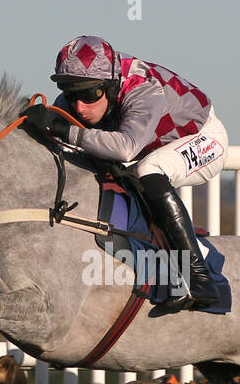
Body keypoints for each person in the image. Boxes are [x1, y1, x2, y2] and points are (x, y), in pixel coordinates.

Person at [20, 36, 228, 310]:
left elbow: (126, 149)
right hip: (150, 144)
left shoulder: (144, 90)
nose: (79, 106)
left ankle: (199, 277)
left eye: (90, 94)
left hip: (204, 138)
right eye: (70, 93)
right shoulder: (81, 96)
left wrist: (62, 129)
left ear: (111, 85)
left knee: (148, 169)